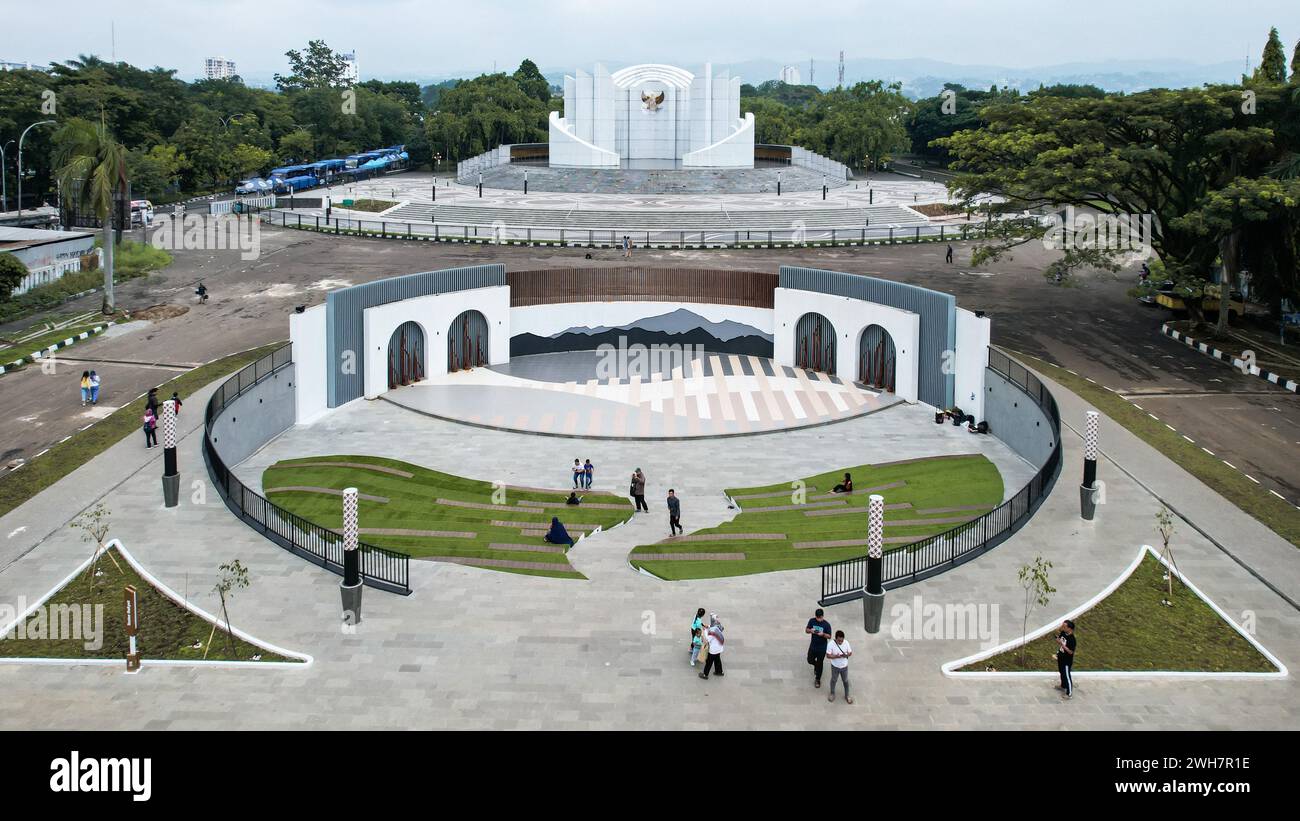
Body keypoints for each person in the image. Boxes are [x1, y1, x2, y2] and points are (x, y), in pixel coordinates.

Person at [825, 630, 853, 704]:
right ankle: (832, 693)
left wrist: (846, 655)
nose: (840, 642)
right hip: (835, 666)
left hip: (844, 666)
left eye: (842, 640)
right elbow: (828, 655)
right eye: (839, 640)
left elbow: (850, 653)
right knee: (834, 680)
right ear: (835, 638)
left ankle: (847, 695)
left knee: (845, 681)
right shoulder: (831, 644)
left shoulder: (846, 643)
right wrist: (835, 656)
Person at [806, 608, 832, 688]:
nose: (819, 619)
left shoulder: (826, 624)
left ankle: (818, 679)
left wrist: (823, 634)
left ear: (822, 616)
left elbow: (829, 636)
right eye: (817, 618)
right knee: (809, 660)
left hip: (822, 647)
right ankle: (816, 666)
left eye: (820, 618)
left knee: (820, 663)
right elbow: (806, 630)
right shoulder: (812, 621)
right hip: (813, 645)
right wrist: (811, 631)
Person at [698, 615, 725, 679]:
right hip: (719, 647)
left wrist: (704, 631)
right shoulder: (718, 626)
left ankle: (705, 674)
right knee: (717, 659)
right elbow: (713, 627)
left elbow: (707, 640)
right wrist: (708, 626)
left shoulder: (712, 631)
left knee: (709, 662)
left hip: (713, 650)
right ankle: (719, 671)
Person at [1056, 619, 1076, 699]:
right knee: (1061, 672)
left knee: (1067, 675)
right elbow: (1060, 640)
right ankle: (1063, 685)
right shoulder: (1063, 633)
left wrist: (1062, 645)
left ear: (1070, 628)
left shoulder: (1072, 639)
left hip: (1066, 660)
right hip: (1061, 656)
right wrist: (1058, 640)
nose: (1062, 627)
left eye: (1064, 626)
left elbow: (1071, 652)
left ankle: (1069, 693)